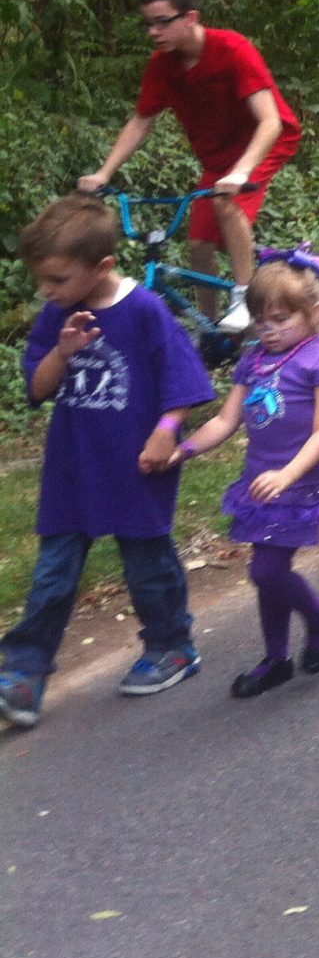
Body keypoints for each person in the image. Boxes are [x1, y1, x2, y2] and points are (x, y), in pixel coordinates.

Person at [0, 197, 216, 729]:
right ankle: (25, 672)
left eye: (56, 278)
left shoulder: (145, 310)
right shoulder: (57, 315)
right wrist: (62, 352)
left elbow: (183, 380)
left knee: (147, 564)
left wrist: (167, 431)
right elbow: (37, 388)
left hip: (137, 463)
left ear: (101, 267)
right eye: (41, 279)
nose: (46, 290)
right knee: (54, 571)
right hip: (73, 465)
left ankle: (172, 645)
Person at [170, 252, 319, 698]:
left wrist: (288, 474)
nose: (267, 329)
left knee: (266, 571)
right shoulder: (253, 361)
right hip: (261, 485)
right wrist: (184, 449)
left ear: (312, 313)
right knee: (269, 572)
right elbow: (225, 420)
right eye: (260, 320)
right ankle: (276, 659)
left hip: (301, 484)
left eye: (280, 319)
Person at [81, 0, 302, 333]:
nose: (154, 32)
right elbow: (141, 121)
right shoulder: (162, 66)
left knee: (224, 205)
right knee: (199, 243)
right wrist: (104, 172)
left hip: (264, 143)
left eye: (162, 22)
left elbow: (270, 121)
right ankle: (209, 327)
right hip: (218, 159)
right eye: (149, 24)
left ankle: (244, 297)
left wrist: (242, 172)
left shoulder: (232, 49)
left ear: (191, 18)